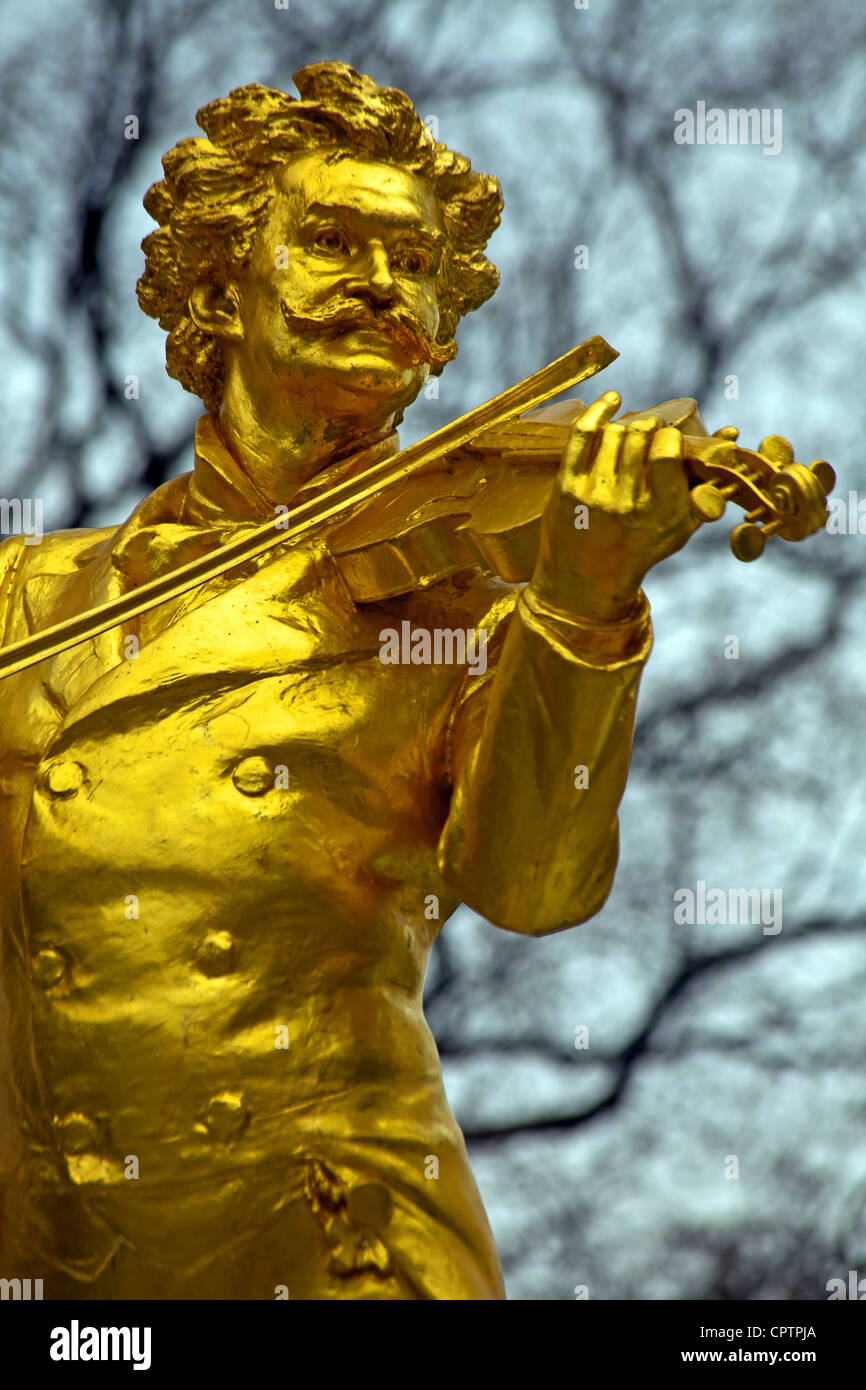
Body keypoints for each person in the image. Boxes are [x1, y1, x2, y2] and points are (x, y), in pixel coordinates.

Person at [0, 61, 706, 1299]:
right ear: (219, 283)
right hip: (58, 1248)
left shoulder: (467, 615)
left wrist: (587, 599)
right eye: (329, 242)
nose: (384, 288)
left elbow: (532, 886)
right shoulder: (24, 597)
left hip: (337, 1231)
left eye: (414, 262)